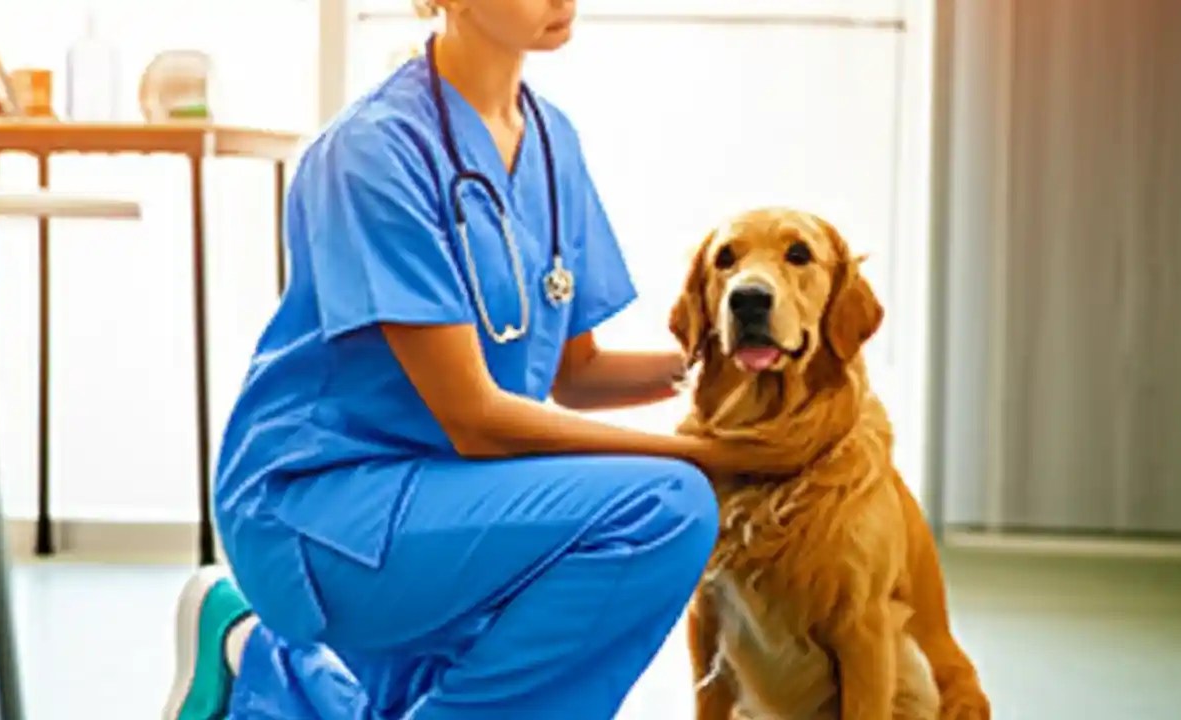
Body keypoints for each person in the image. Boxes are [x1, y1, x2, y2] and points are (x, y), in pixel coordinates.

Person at [161, 2, 786, 718]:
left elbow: (575, 376)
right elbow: (476, 419)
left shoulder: (551, 143)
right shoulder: (373, 151)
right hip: (321, 503)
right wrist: (708, 454)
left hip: (447, 495)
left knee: (423, 695)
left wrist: (729, 360)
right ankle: (271, 638)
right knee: (662, 507)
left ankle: (251, 657)